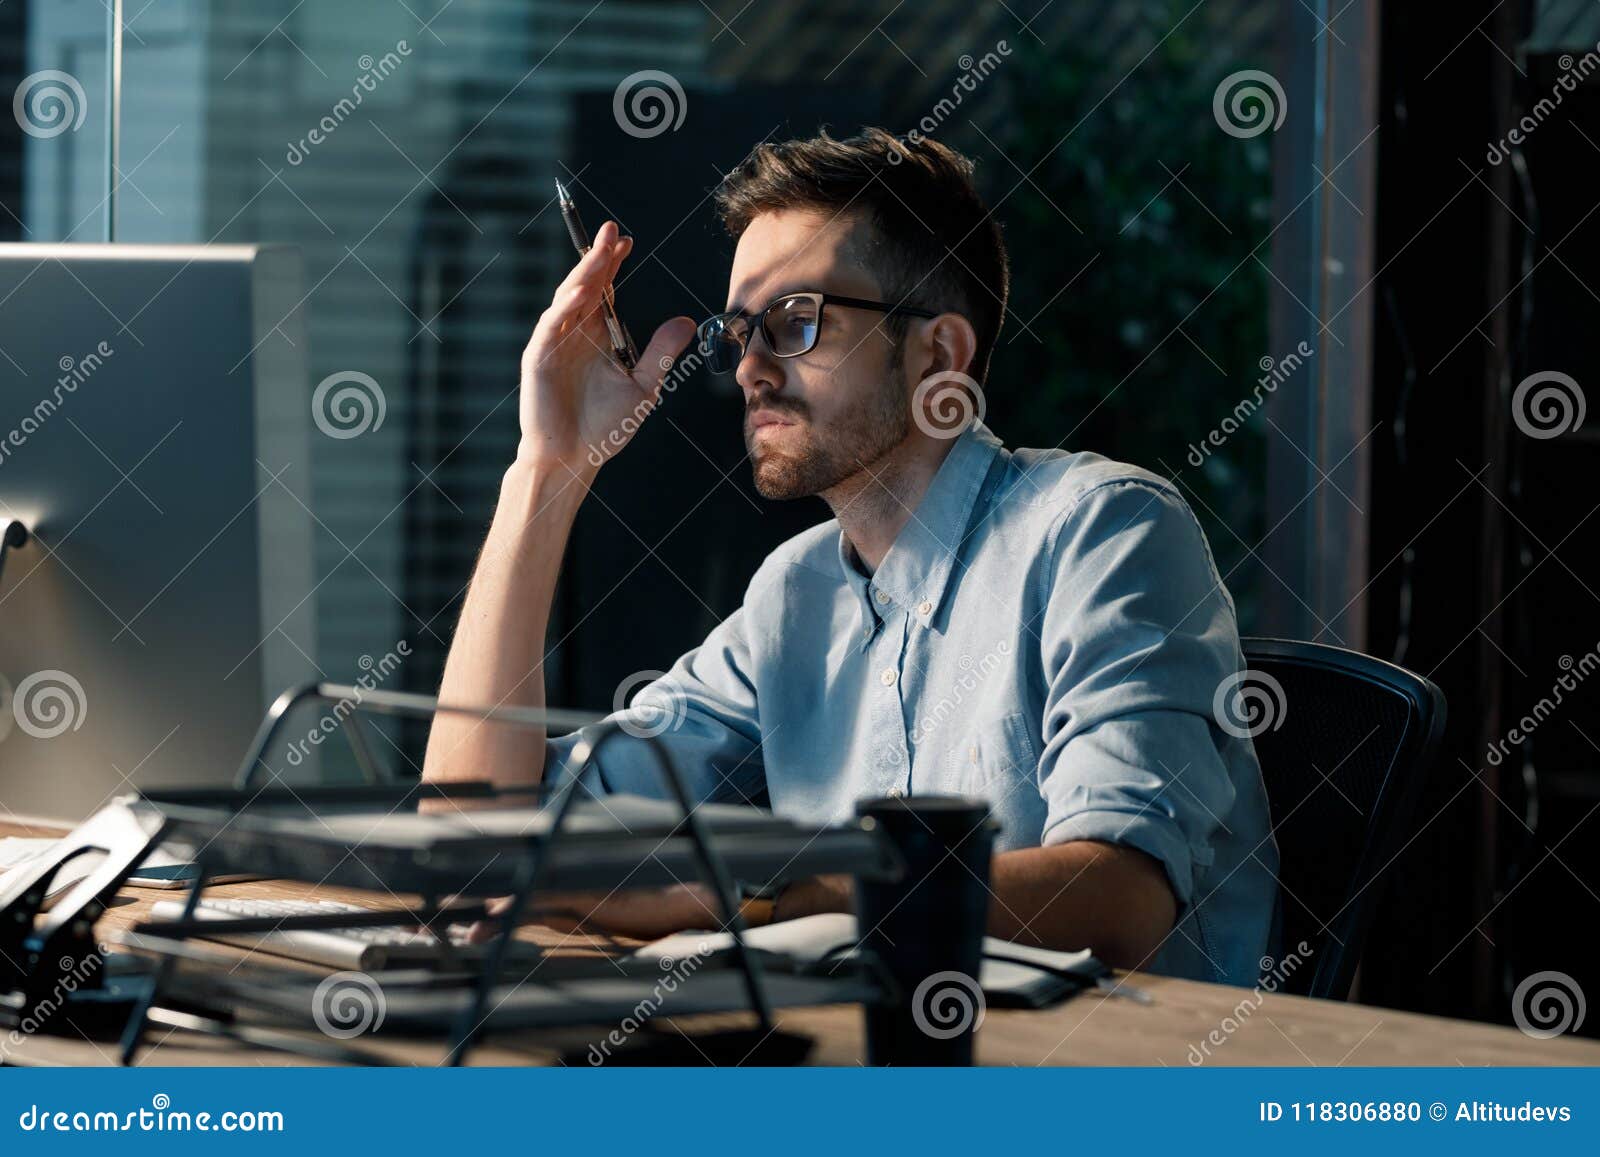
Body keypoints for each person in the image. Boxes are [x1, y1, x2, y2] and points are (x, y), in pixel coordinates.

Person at [422, 126, 1278, 985]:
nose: (750, 366)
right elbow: (481, 839)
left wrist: (770, 900)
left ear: (938, 354)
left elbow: (1118, 900)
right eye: (738, 330)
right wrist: (551, 468)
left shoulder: (1103, 533)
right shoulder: (795, 596)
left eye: (795, 322)